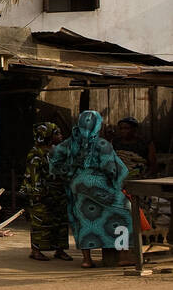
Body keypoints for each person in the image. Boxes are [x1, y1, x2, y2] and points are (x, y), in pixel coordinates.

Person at [49, 110, 131, 269]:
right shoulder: (102, 144)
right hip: (98, 184)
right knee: (124, 212)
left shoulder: (70, 143)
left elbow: (53, 156)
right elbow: (111, 168)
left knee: (84, 219)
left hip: (78, 185)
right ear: (97, 124)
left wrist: (68, 173)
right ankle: (123, 256)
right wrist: (117, 183)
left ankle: (87, 260)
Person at [21, 122, 71, 261]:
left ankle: (60, 250)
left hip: (59, 192)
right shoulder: (36, 153)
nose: (60, 136)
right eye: (57, 133)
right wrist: (37, 193)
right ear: (46, 135)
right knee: (40, 221)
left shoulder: (58, 151)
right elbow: (33, 174)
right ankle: (36, 250)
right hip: (42, 193)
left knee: (60, 222)